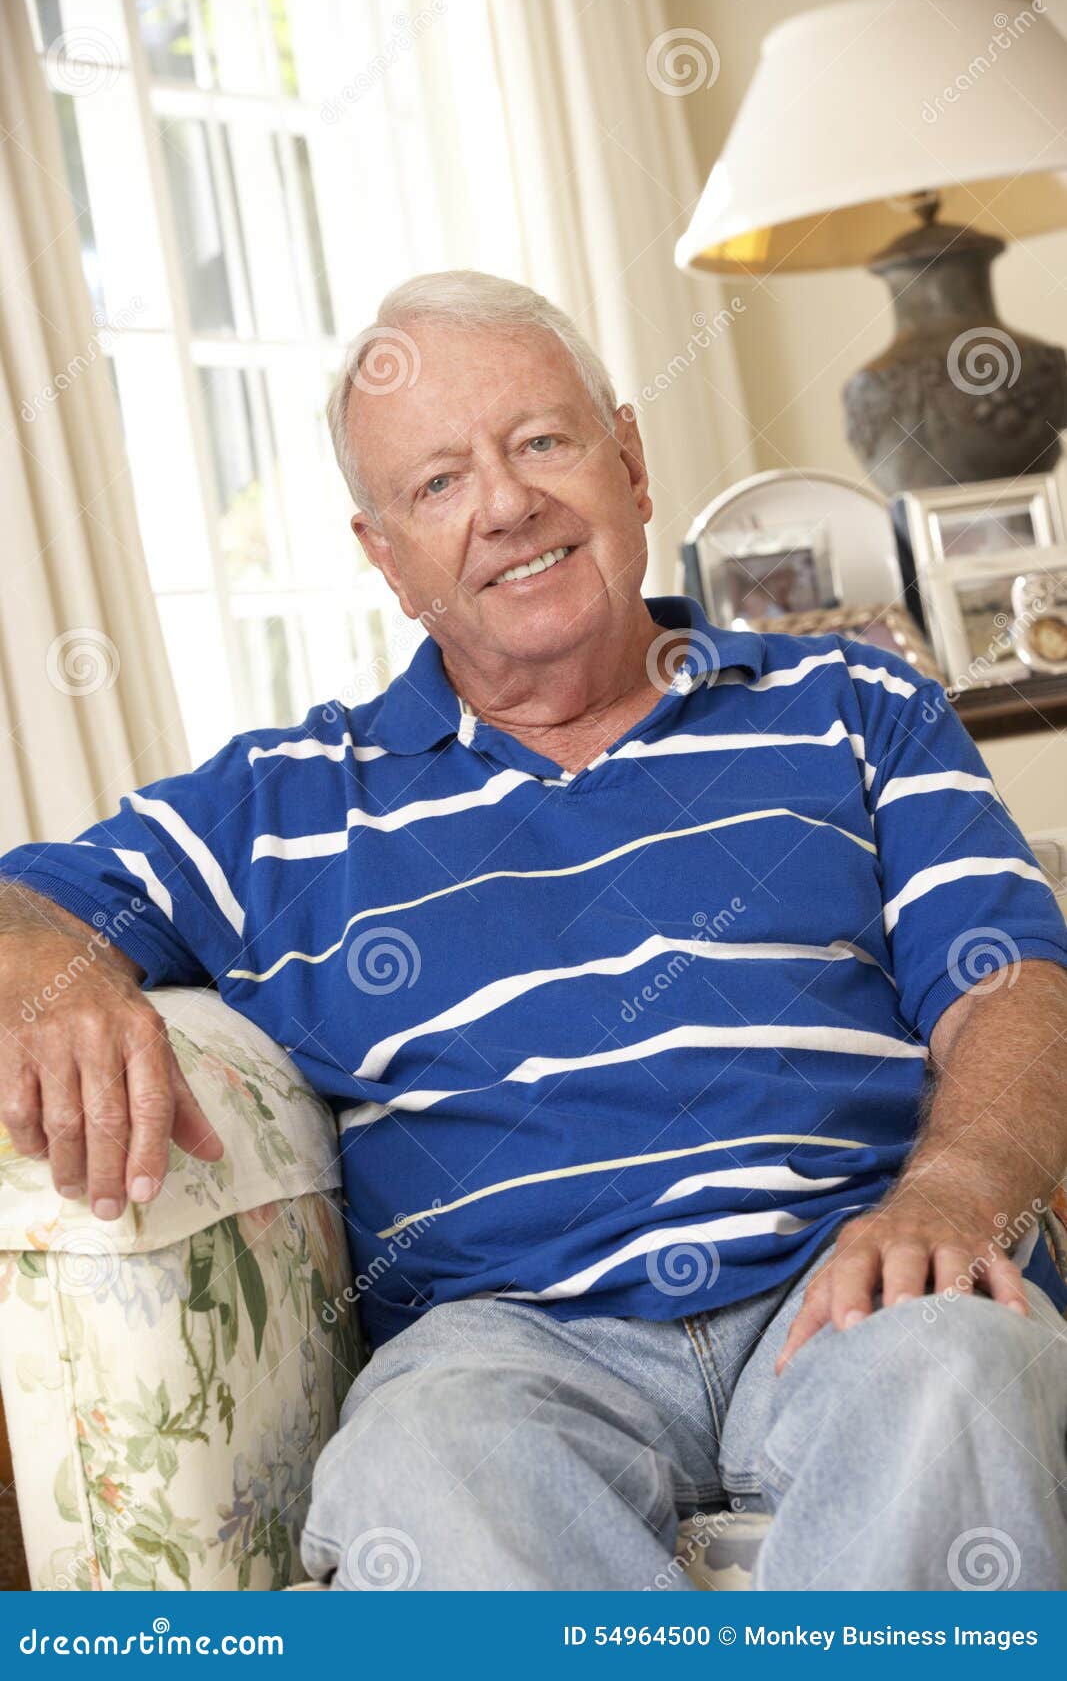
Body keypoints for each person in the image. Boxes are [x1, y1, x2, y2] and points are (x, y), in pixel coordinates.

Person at [2, 271, 1067, 1591]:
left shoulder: (859, 707)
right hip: (509, 1345)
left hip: (849, 1279)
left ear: (631, 461)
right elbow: (25, 905)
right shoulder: (282, 804)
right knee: (418, 1466)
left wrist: (953, 1190)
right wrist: (50, 962)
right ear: (387, 559)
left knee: (959, 1367)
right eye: (439, 483)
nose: (506, 505)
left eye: (543, 442)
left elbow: (1013, 989)